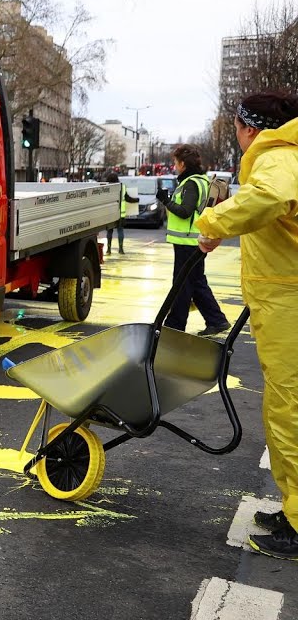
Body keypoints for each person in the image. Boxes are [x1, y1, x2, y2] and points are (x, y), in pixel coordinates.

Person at [196, 92, 298, 561]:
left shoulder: (276, 157)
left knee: (289, 410)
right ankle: (293, 509)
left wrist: (214, 219)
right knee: (284, 407)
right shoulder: (284, 156)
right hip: (281, 301)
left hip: (289, 304)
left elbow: (272, 198)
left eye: (236, 127)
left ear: (248, 128)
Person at [155, 145, 230, 336]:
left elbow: (185, 211)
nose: (174, 166)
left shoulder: (190, 183)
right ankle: (216, 320)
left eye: (175, 163)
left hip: (186, 243)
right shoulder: (201, 181)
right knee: (196, 282)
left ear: (182, 164)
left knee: (181, 284)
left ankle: (175, 325)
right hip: (195, 241)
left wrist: (166, 200)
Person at [104, 172, 140, 254]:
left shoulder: (106, 188)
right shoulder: (122, 187)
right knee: (120, 231)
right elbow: (128, 199)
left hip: (110, 214)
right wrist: (136, 200)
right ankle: (121, 249)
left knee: (109, 231)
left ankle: (108, 249)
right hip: (120, 214)